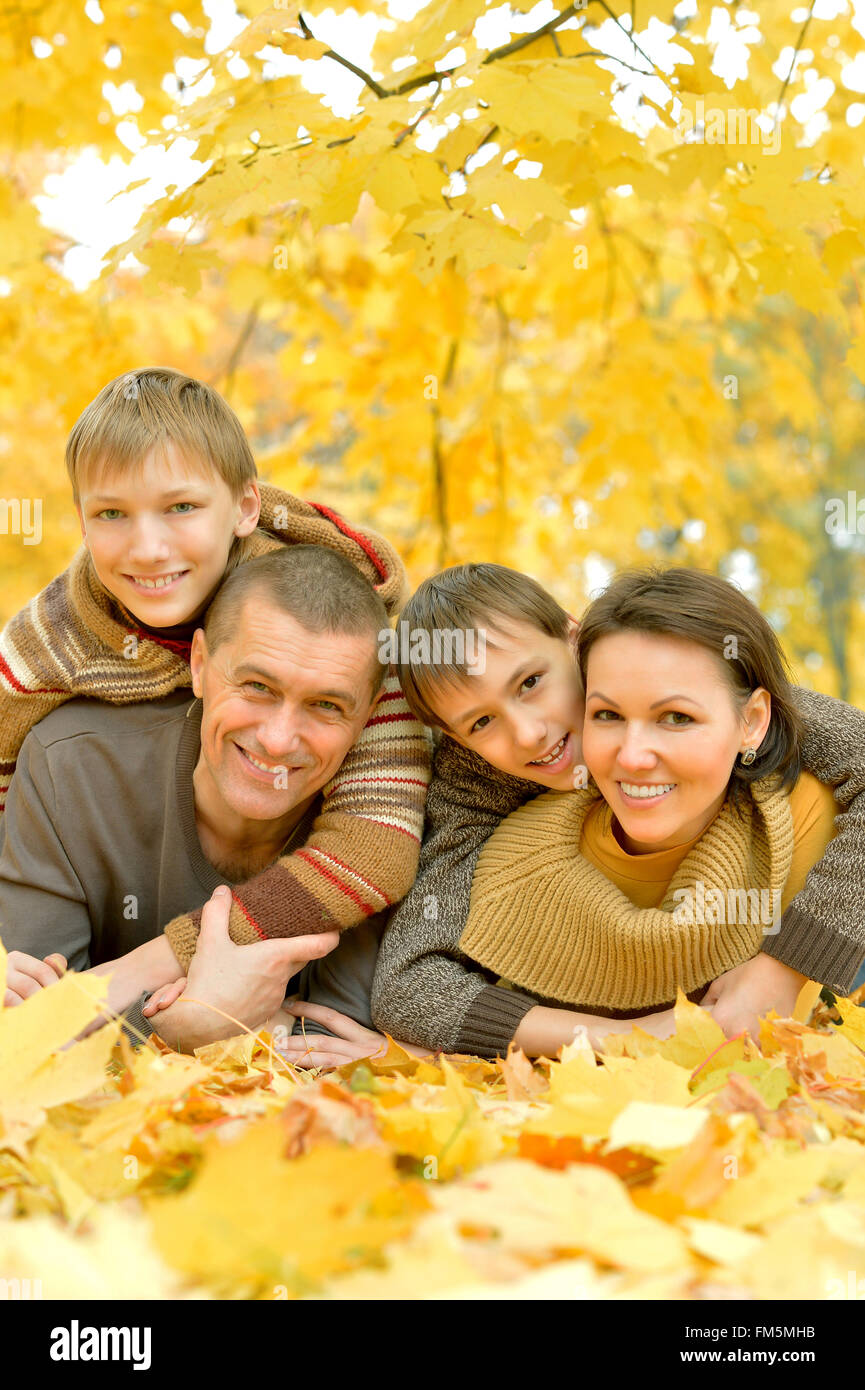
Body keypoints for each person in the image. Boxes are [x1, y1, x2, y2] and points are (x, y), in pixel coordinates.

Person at [0, 367, 430, 984]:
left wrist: (148, 970)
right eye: (112, 513)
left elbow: (375, 849)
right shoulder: (55, 636)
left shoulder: (336, 633)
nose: (148, 547)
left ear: (246, 508)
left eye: (181, 507)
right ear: (82, 520)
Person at [368, 564, 865, 1057]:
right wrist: (626, 1038)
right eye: (480, 722)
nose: (528, 733)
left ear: (573, 639)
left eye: (530, 683)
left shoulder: (675, 674)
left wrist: (783, 966)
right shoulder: (475, 782)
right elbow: (409, 983)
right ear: (456, 740)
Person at [0, 546, 422, 1056]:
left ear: (370, 714)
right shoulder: (70, 765)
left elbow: (334, 1044)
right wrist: (191, 1027)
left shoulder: (388, 818)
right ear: (199, 664)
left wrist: (160, 1019)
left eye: (326, 705)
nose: (279, 739)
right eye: (257, 686)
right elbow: (30, 1032)